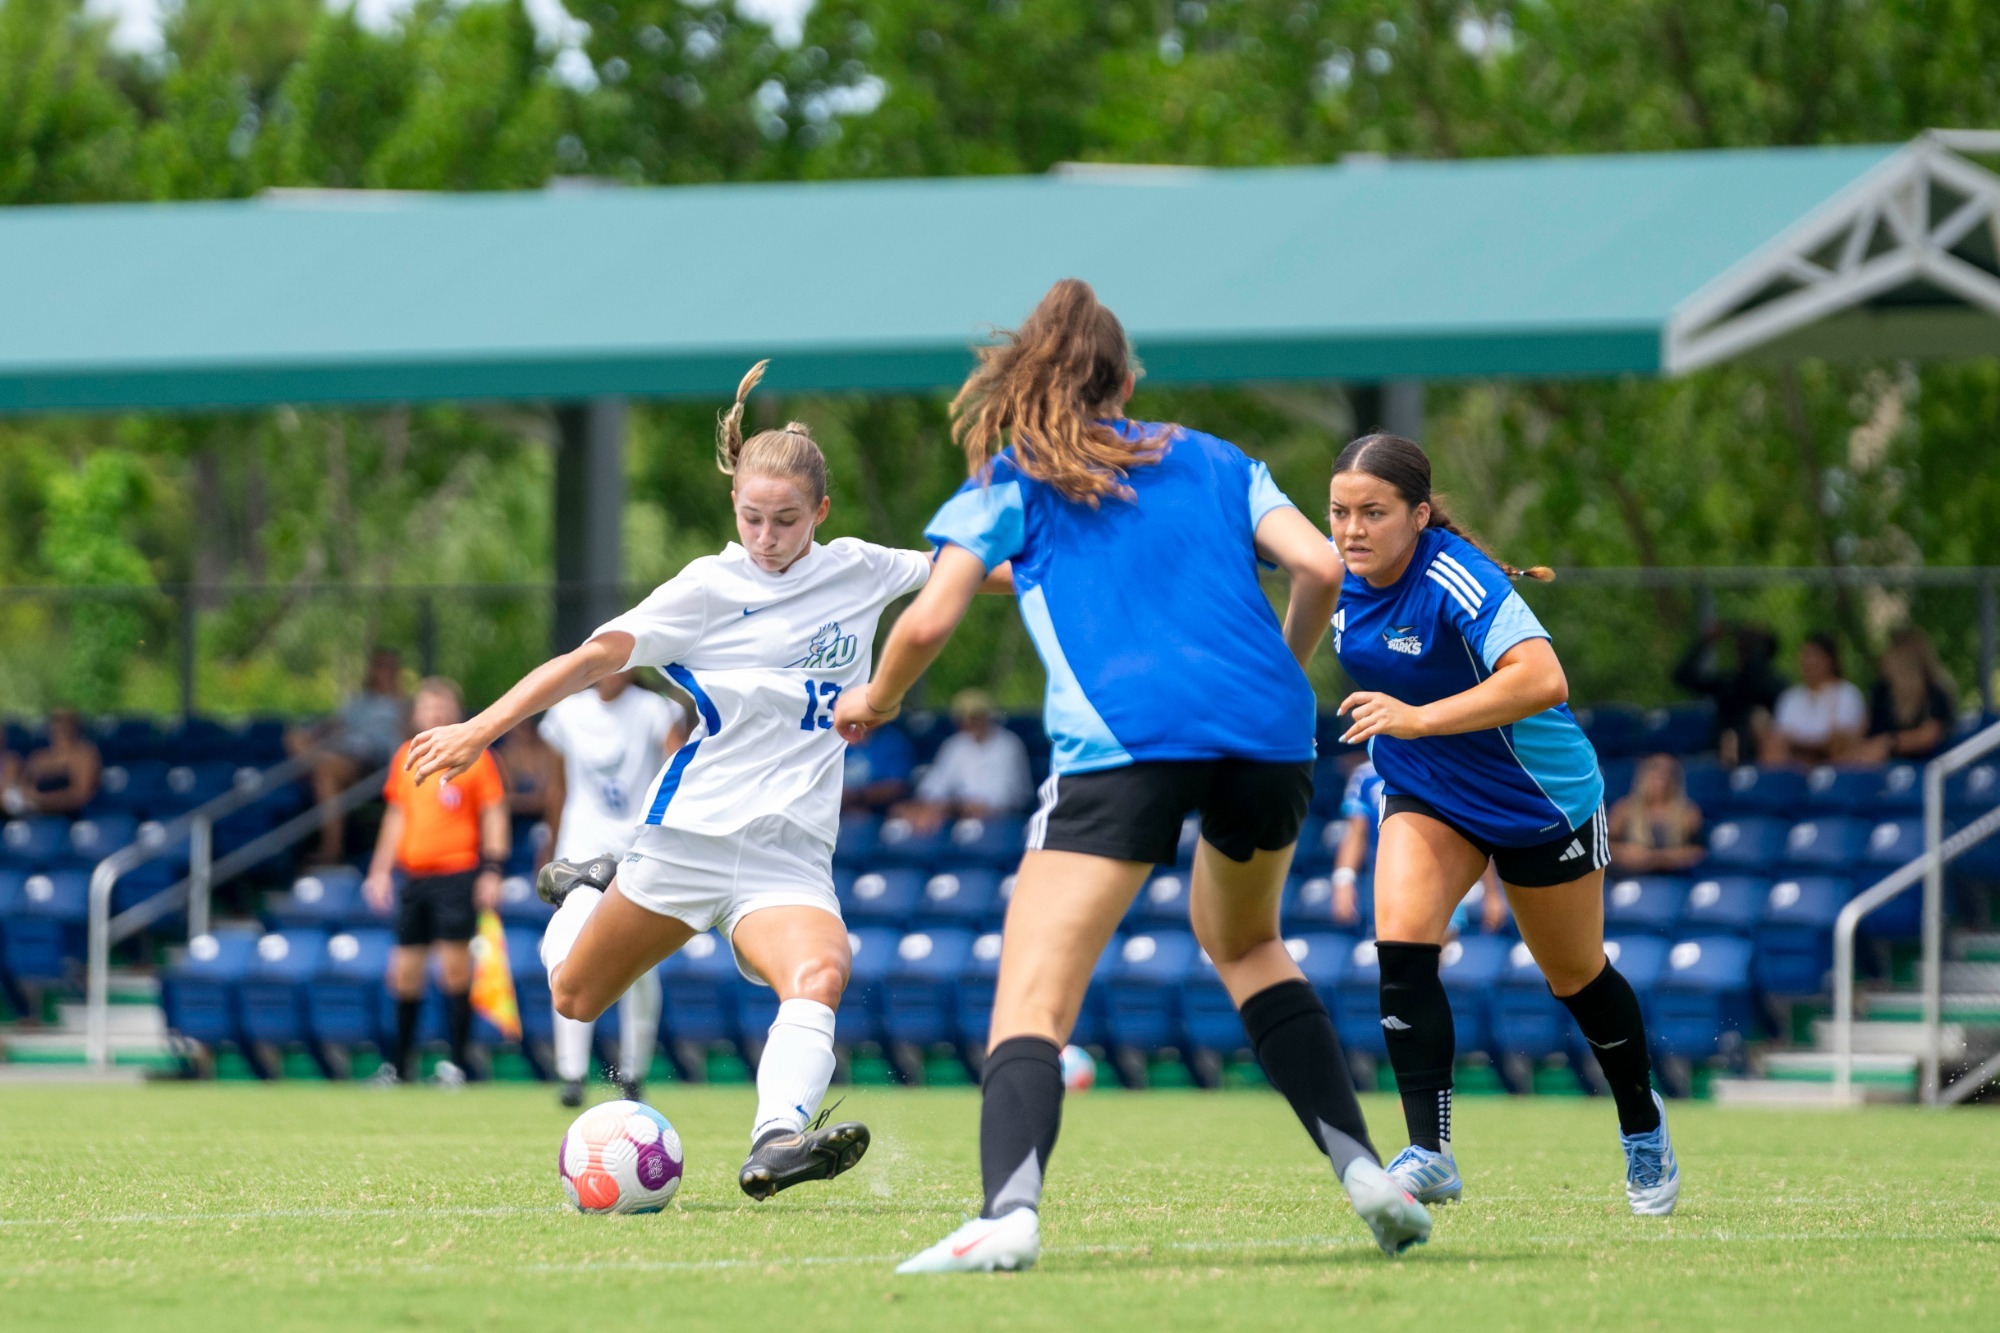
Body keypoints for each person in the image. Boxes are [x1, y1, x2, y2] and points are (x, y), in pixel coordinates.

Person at [833, 279, 1429, 1273]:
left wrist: (879, 699)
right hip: (1271, 735)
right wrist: (1281, 673)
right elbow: (1321, 568)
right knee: (1244, 944)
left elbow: (930, 617)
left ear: (1025, 375)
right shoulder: (1213, 457)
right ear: (1124, 376)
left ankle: (1008, 1215)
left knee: (1029, 998)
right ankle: (1366, 1171)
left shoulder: (1011, 479)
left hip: (1127, 740)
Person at [400, 361, 929, 1202]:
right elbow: (588, 660)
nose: (767, 536)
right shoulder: (707, 588)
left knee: (823, 968)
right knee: (575, 998)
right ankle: (584, 887)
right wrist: (480, 728)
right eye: (751, 517)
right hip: (688, 838)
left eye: (786, 520)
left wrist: (1075, 562)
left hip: (786, 854)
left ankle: (777, 1139)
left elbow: (972, 573)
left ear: (821, 513)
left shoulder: (861, 570)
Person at [1326, 432, 1678, 1217]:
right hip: (1429, 786)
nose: (1352, 529)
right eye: (1340, 511)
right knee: (1403, 940)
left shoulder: (1456, 574)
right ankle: (1430, 1151)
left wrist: (1416, 718)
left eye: (1373, 513)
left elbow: (1543, 676)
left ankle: (1642, 1124)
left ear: (1418, 515)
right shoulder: (1330, 565)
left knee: (1574, 976)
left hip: (1538, 799)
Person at [539, 671, 689, 1107]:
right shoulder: (566, 711)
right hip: (579, 851)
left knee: (639, 963)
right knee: (571, 953)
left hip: (637, 848)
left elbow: (677, 767)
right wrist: (549, 844)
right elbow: (557, 785)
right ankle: (571, 1073)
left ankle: (632, 1071)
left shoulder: (655, 709)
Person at [363, 677, 509, 1088]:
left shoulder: (477, 757)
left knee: (455, 971)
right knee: (404, 972)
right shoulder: (403, 757)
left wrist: (493, 869)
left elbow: (494, 813)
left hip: (457, 874)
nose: (435, 715)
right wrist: (379, 870)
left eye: (442, 708)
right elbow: (395, 816)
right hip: (414, 877)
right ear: (416, 714)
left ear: (455, 713)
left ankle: (458, 1063)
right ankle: (400, 1066)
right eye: (427, 708)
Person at [289, 648, 409, 863]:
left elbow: (411, 736)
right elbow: (334, 724)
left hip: (376, 762)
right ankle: (315, 765)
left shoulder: (405, 704)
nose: (384, 672)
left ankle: (331, 849)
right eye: (380, 666)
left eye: (390, 667)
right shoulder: (359, 702)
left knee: (326, 773)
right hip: (343, 751)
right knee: (296, 738)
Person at [896, 688, 1034, 832]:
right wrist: (932, 806)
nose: (969, 722)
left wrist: (959, 806)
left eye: (974, 716)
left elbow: (1005, 797)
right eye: (964, 717)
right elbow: (935, 785)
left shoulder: (1008, 744)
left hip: (1004, 817)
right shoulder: (955, 744)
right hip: (957, 812)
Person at [1672, 621, 1783, 766]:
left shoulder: (1775, 686)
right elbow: (1683, 676)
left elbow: (1755, 677)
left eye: (1745, 647)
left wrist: (1705, 643)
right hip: (1722, 753)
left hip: (1761, 759)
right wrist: (1704, 642)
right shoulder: (1729, 683)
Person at [1761, 633, 1866, 765]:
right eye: (1805, 656)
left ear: (1830, 660)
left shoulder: (1848, 693)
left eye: (1815, 656)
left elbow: (1842, 737)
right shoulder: (1790, 697)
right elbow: (1782, 734)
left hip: (1833, 758)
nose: (1809, 662)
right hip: (1794, 758)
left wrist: (1812, 745)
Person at [1855, 626, 1957, 763]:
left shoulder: (1934, 693)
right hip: (1877, 763)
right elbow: (1864, 732)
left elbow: (1929, 735)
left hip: (1921, 765)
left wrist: (1890, 743)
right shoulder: (1881, 692)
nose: (1884, 657)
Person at [1606, 754, 1705, 874]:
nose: (1659, 778)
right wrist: (1625, 852)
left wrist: (1657, 858)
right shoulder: (1623, 810)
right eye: (1654, 770)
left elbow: (1700, 851)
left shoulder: (1689, 812)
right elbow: (1605, 849)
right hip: (1632, 877)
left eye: (1666, 773)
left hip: (1675, 877)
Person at [17, 708, 100, 815]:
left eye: (65, 721)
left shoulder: (86, 754)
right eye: (55, 720)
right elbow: (24, 788)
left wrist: (44, 800)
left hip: (72, 816)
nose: (59, 726)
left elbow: (81, 795)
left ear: (75, 725)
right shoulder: (39, 757)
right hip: (36, 815)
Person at [842, 723, 915, 814]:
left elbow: (896, 787)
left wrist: (855, 796)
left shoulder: (893, 741)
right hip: (831, 807)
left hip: (874, 812)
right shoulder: (835, 736)